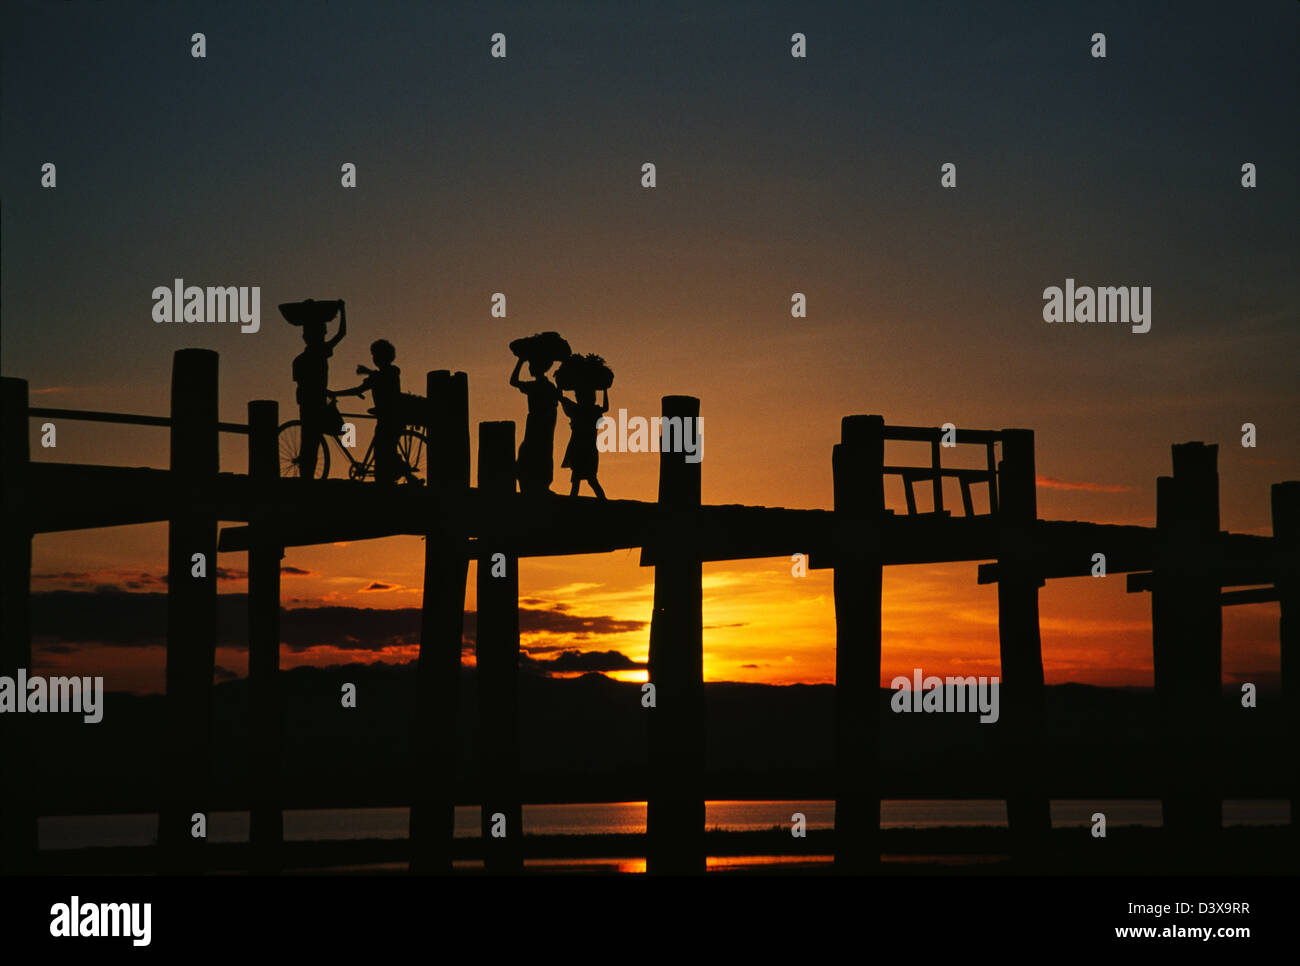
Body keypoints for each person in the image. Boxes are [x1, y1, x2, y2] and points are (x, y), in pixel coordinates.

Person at [333, 339, 402, 484]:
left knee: (385, 450)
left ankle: (407, 476)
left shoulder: (392, 371)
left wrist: (367, 372)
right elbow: (358, 390)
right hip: (386, 418)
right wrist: (335, 393)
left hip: (391, 418)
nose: (374, 358)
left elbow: (382, 378)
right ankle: (401, 477)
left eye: (376, 355)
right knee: (385, 450)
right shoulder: (377, 376)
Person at [291, 302, 346, 477]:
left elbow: (303, 385)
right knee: (313, 441)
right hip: (316, 402)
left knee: (308, 441)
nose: (325, 334)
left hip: (306, 402)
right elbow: (341, 333)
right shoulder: (321, 351)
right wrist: (343, 310)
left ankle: (306, 475)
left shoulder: (299, 360)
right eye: (323, 332)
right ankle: (308, 477)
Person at [510, 355, 561, 494]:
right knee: (541, 451)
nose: (530, 369)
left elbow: (513, 381)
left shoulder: (536, 386)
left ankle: (534, 484)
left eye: (531, 366)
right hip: (544, 424)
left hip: (538, 424)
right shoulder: (549, 387)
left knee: (532, 452)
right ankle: (538, 484)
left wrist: (520, 361)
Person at [560, 385, 609, 499]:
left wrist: (559, 386)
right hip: (589, 450)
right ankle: (605, 504)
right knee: (591, 480)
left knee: (578, 482)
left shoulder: (577, 410)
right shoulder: (593, 411)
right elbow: (605, 407)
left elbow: (561, 398)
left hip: (579, 449)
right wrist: (605, 390)